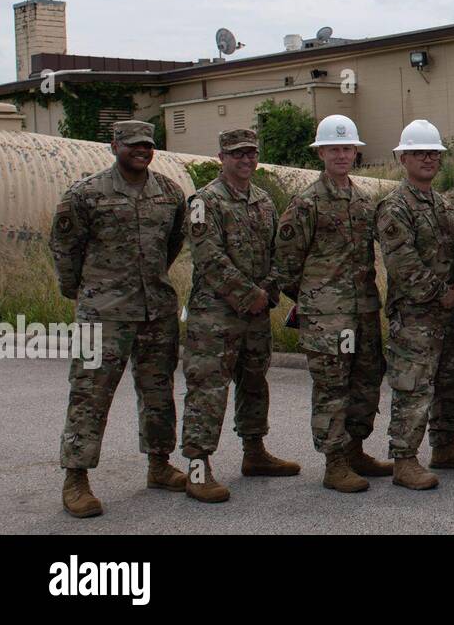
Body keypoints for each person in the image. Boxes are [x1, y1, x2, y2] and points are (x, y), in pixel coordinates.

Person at [52, 120, 188, 518]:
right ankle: (75, 478)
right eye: (132, 145)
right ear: (114, 146)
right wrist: (86, 291)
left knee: (158, 392)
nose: (141, 151)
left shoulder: (169, 193)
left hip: (155, 311)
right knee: (89, 394)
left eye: (147, 145)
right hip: (102, 314)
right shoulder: (86, 194)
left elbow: (173, 243)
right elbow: (64, 249)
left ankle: (160, 465)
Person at [181, 128, 299, 504]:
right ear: (222, 157)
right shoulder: (205, 201)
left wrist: (267, 291)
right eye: (237, 154)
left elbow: (278, 252)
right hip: (215, 314)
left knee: (254, 382)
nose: (246, 160)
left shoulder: (264, 201)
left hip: (257, 312)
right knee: (208, 391)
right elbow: (208, 257)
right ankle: (198, 469)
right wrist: (249, 294)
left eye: (251, 153)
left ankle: (254, 452)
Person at [272, 114, 389, 493]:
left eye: (347, 148)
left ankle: (355, 450)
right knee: (333, 389)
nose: (341, 154)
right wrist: (317, 302)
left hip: (364, 312)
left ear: (356, 152)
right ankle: (334, 462)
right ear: (321, 152)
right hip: (330, 319)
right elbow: (286, 265)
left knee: (366, 382)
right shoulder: (307, 203)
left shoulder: (362, 200)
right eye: (334, 148)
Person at [376, 120, 454, 491]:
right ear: (403, 158)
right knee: (413, 386)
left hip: (445, 313)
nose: (428, 159)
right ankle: (404, 458)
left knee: (451, 379)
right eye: (419, 153)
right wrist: (442, 292)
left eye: (433, 153)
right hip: (415, 315)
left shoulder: (441, 203)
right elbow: (403, 263)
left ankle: (444, 444)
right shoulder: (395, 206)